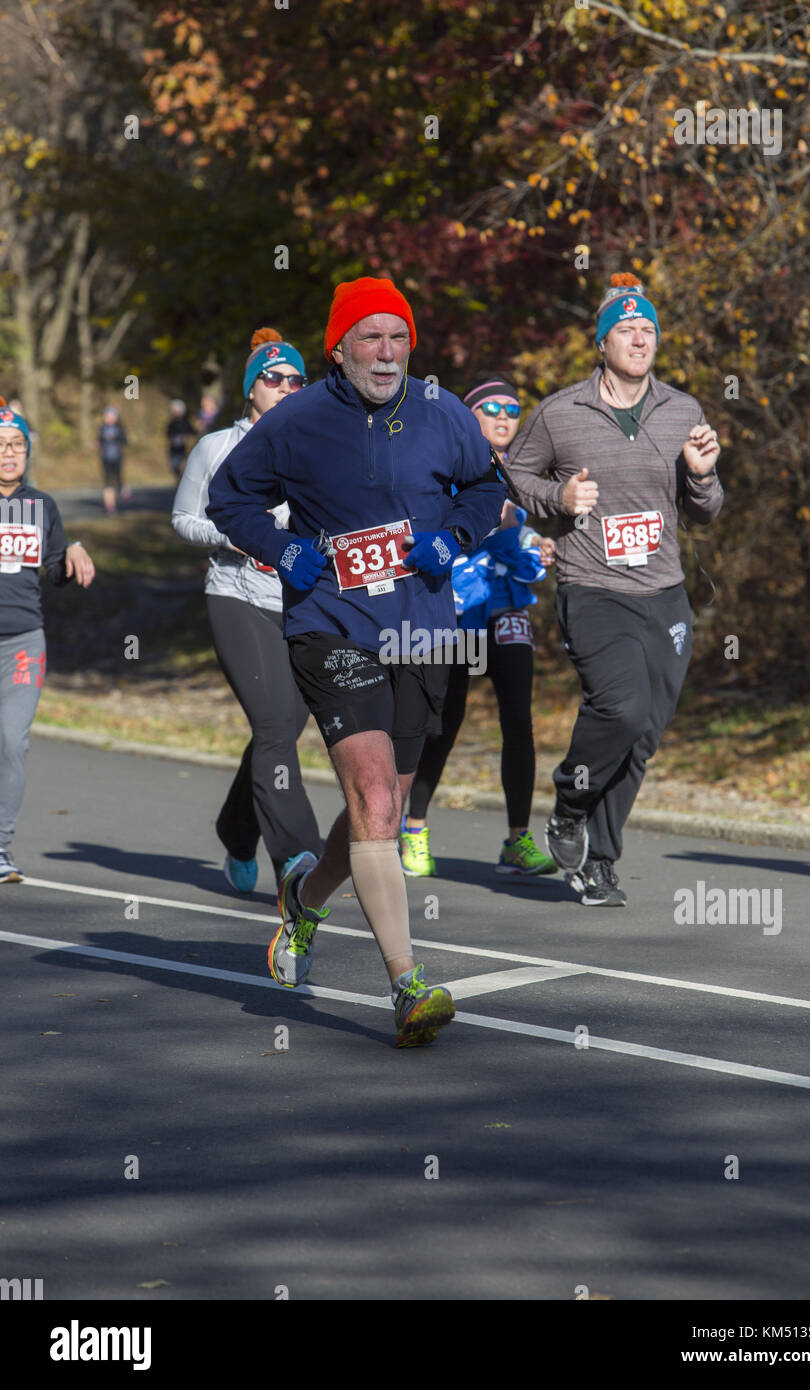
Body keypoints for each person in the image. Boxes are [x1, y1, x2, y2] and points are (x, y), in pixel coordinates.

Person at [206, 276, 506, 1046]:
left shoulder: (442, 413)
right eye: (369, 337)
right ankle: (407, 984)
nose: (386, 351)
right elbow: (228, 498)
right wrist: (281, 550)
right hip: (331, 624)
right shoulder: (299, 421)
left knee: (383, 804)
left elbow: (485, 485)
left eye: (397, 336)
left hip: (421, 629)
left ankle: (306, 898)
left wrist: (457, 536)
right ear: (338, 349)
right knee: (373, 791)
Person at [503, 273, 723, 906]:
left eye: (648, 329)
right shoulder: (560, 412)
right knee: (620, 709)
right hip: (593, 586)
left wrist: (703, 478)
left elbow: (706, 510)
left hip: (665, 592)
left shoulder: (683, 410)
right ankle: (569, 804)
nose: (639, 338)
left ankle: (600, 862)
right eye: (625, 329)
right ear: (601, 344)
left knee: (644, 733)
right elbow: (514, 479)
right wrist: (558, 497)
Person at [172, 329, 320, 895]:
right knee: (275, 726)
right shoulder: (215, 448)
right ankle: (300, 858)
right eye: (272, 378)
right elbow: (184, 519)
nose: (285, 387)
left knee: (281, 726)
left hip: (298, 603)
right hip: (234, 594)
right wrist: (233, 535)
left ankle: (237, 829)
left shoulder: (313, 448)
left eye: (295, 380)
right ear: (250, 389)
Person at [401, 375, 557, 877]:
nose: (505, 416)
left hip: (506, 607)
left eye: (513, 409)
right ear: (470, 417)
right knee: (445, 721)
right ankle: (414, 828)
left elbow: (524, 529)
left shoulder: (523, 471)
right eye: (492, 409)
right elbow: (439, 533)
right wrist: (497, 524)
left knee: (519, 721)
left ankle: (517, 839)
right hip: (457, 612)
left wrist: (536, 546)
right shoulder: (448, 462)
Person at [0, 398, 95, 882]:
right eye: (0, 445)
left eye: (17, 444)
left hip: (22, 641)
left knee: (11, 742)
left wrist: (72, 554)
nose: (9, 453)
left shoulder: (41, 506)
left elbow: (53, 569)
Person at [98, 405, 127, 513]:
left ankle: (123, 489)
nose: (107, 418)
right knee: (107, 482)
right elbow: (99, 440)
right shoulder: (102, 428)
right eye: (106, 416)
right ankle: (110, 505)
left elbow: (125, 440)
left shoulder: (119, 429)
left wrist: (117, 438)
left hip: (117, 458)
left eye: (109, 416)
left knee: (118, 479)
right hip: (105, 459)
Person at [166, 400, 195, 478]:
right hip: (174, 449)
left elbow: (192, 432)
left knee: (182, 466)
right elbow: (168, 434)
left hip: (184, 449)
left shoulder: (185, 423)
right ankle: (178, 480)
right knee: (174, 466)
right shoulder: (171, 423)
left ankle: (181, 480)